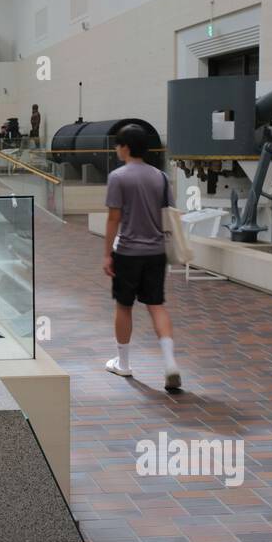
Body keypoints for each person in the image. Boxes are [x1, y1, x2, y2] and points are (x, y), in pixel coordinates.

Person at [102, 124, 182, 391]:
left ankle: (123, 363)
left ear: (125, 147)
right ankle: (170, 363)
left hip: (128, 251)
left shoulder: (118, 177)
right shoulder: (160, 177)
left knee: (124, 306)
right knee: (156, 305)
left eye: (117, 145)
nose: (116, 149)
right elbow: (166, 212)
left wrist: (107, 254)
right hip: (157, 251)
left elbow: (114, 218)